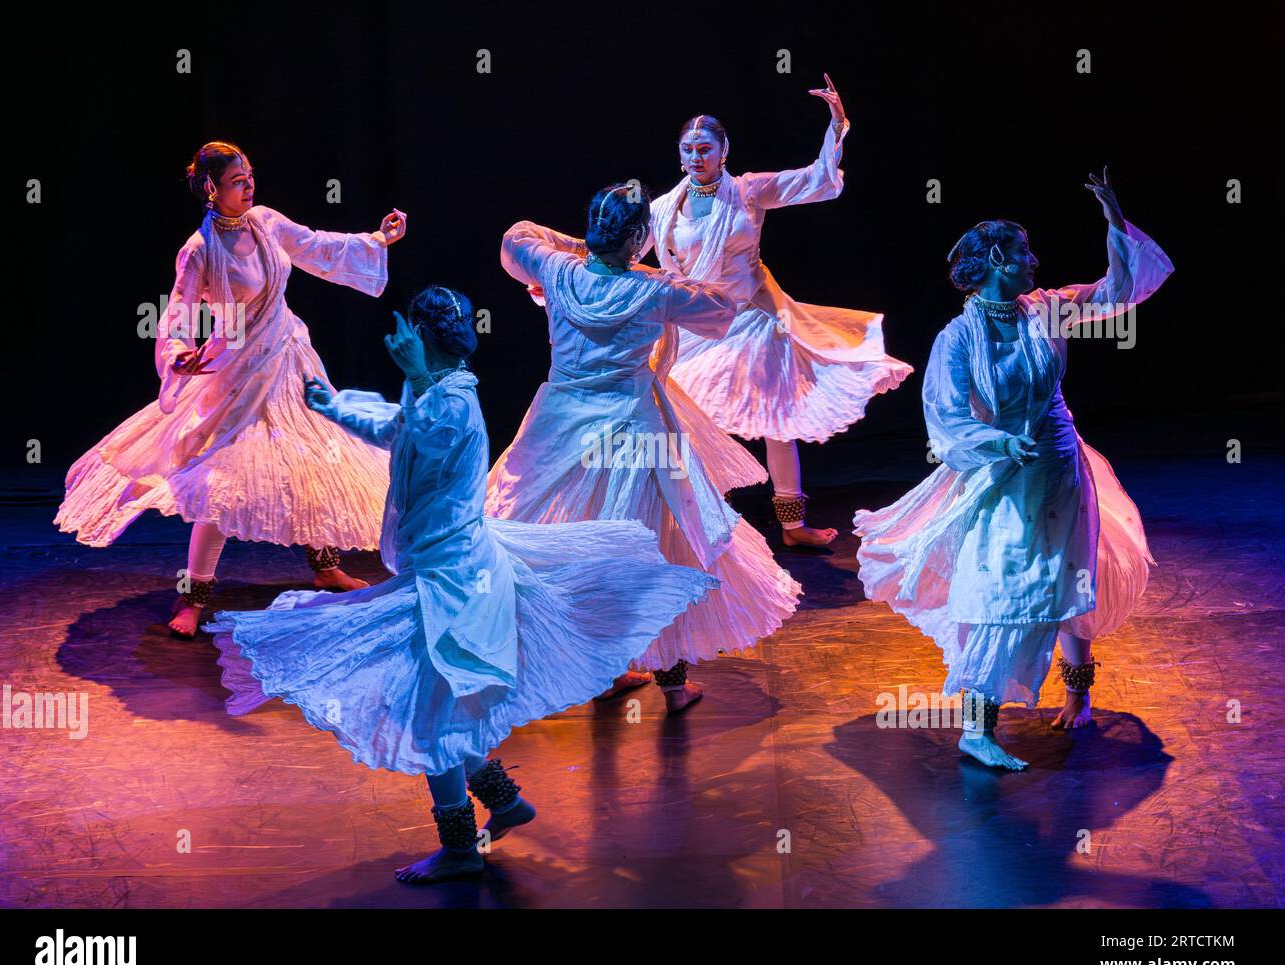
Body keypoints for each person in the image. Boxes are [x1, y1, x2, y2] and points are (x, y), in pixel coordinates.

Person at [204, 286, 717, 883]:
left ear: (426, 339)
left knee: (432, 714)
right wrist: (334, 403)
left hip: (454, 579)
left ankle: (459, 850)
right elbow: (403, 428)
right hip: (443, 566)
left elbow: (428, 432)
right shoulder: (441, 392)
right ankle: (503, 803)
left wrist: (415, 377)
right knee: (448, 703)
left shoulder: (447, 402)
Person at [853, 168, 1174, 769]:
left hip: (1060, 464)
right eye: (1024, 252)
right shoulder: (958, 338)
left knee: (1072, 575)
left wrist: (1113, 221)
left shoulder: (1045, 310)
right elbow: (945, 418)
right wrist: (999, 445)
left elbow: (1116, 293)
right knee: (999, 588)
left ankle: (1079, 696)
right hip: (1002, 476)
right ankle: (978, 729)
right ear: (998, 259)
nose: (1035, 260)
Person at [54, 141, 407, 637]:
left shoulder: (264, 220)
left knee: (312, 457)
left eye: (250, 176)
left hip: (288, 357)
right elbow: (177, 311)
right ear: (210, 188)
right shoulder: (199, 250)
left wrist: (377, 240)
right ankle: (193, 596)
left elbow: (315, 244)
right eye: (237, 180)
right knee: (223, 482)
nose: (249, 185)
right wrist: (179, 352)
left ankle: (325, 563)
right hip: (236, 368)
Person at [489, 181, 801, 713]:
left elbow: (515, 237)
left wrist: (582, 247)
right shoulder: (655, 290)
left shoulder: (558, 271)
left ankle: (602, 669)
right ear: (639, 239)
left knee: (570, 543)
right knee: (658, 546)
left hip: (562, 427)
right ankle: (673, 686)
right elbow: (722, 309)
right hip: (633, 431)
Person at [646, 77, 913, 547]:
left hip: (753, 318)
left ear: (724, 150)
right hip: (693, 327)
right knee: (690, 428)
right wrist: (564, 273)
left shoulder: (748, 191)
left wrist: (836, 126)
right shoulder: (664, 208)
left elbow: (814, 180)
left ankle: (792, 526)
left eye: (705, 148)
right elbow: (626, 253)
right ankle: (703, 524)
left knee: (775, 419)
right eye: (688, 149)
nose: (696, 157)